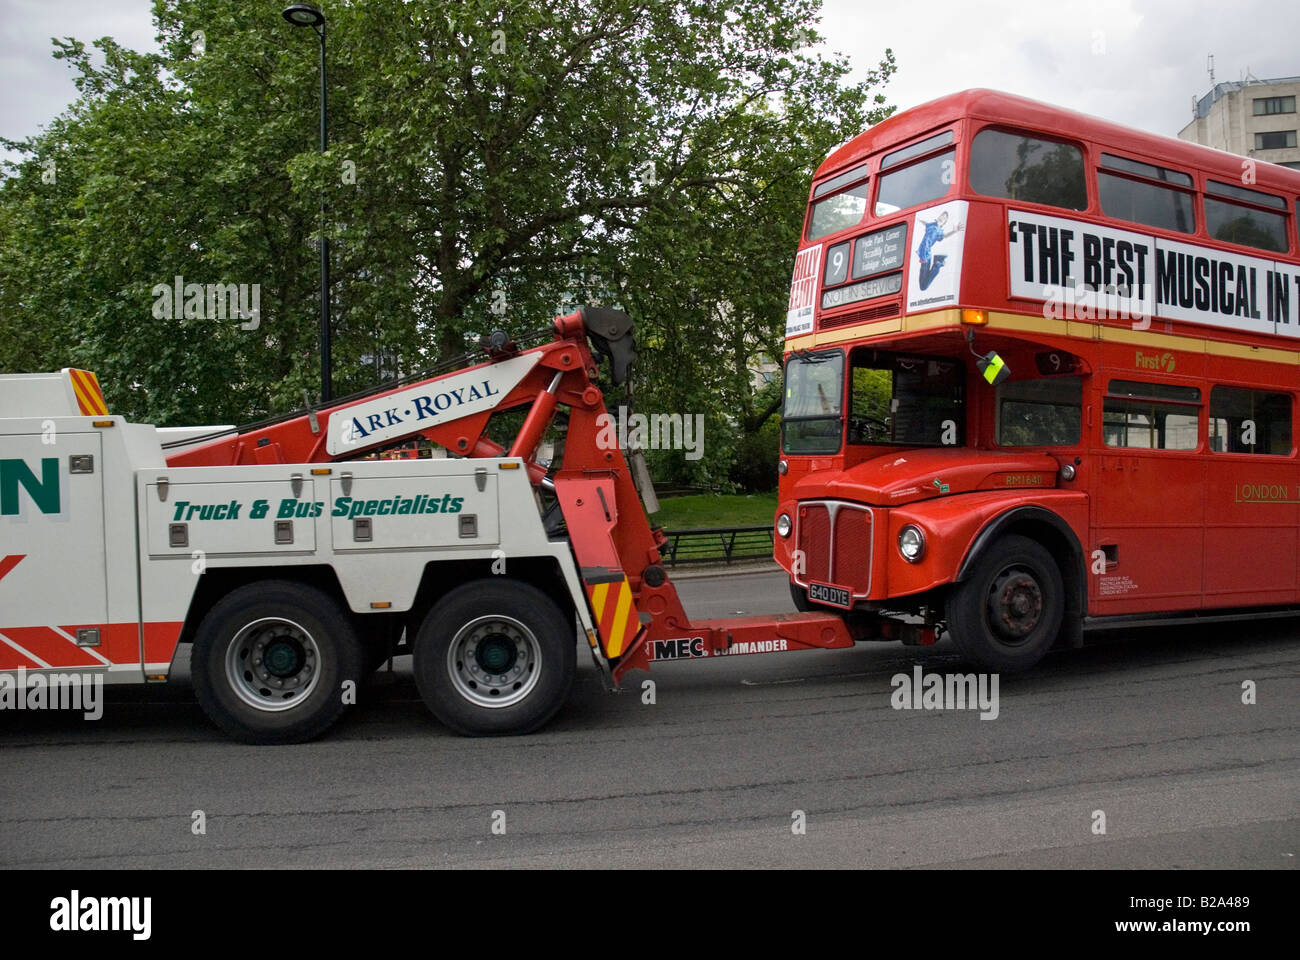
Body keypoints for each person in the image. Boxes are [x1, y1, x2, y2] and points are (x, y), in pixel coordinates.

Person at [915, 211, 964, 291]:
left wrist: (954, 231)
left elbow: (945, 235)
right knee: (923, 284)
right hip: (924, 254)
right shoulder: (931, 225)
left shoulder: (939, 231)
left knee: (923, 287)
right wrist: (918, 219)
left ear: (944, 223)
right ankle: (937, 262)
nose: (942, 218)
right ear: (938, 217)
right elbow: (925, 223)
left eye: (944, 218)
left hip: (925, 255)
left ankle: (937, 264)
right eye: (942, 216)